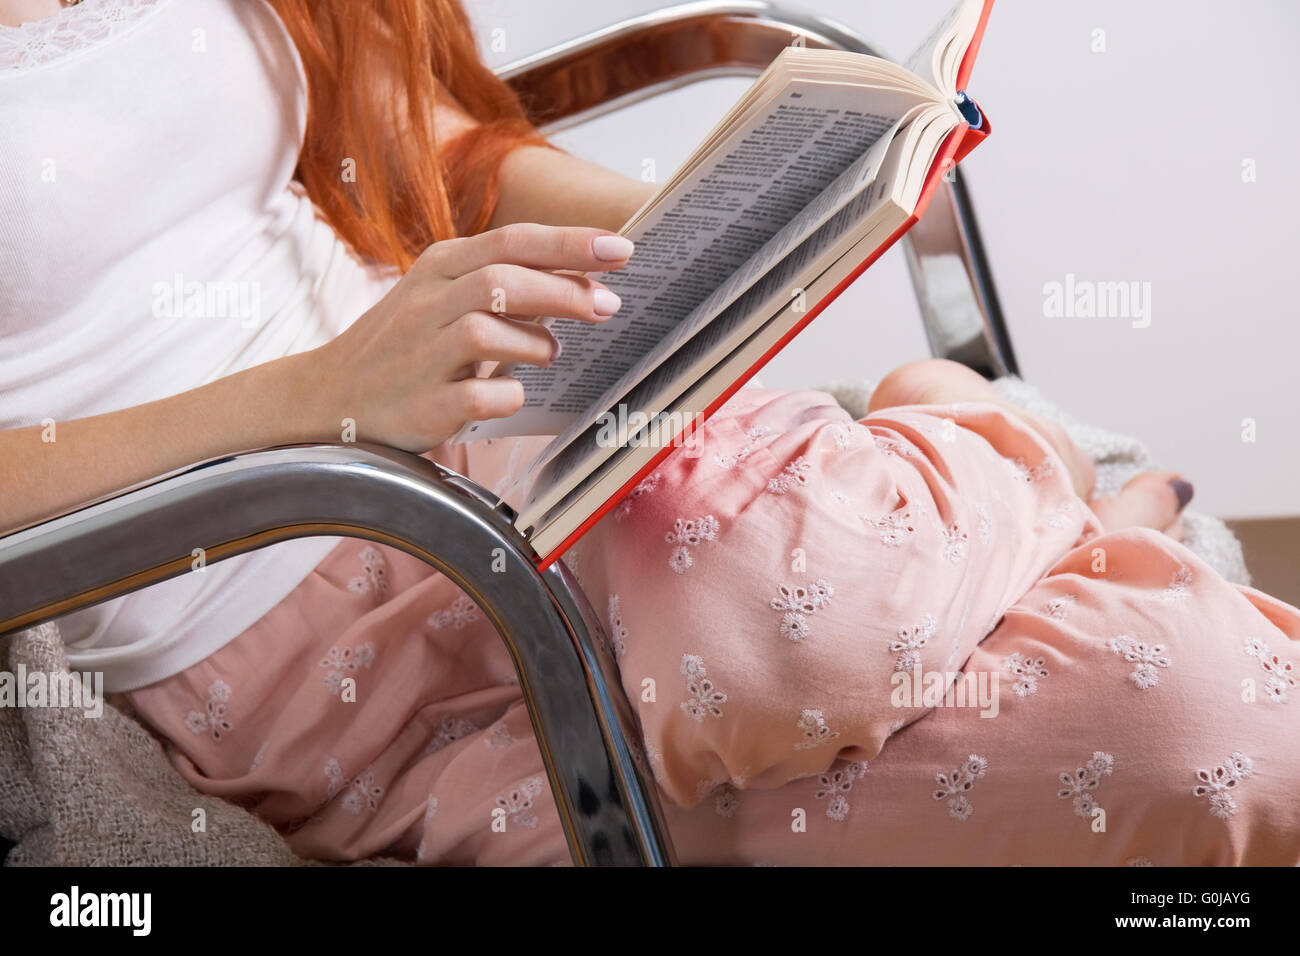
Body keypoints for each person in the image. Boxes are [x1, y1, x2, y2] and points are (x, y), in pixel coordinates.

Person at [2, 0, 1296, 866]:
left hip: (510, 401)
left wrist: (704, 232)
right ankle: (1002, 465)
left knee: (793, 626)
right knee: (1211, 725)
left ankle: (973, 477)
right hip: (268, 623)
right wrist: (326, 396)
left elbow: (426, 153)